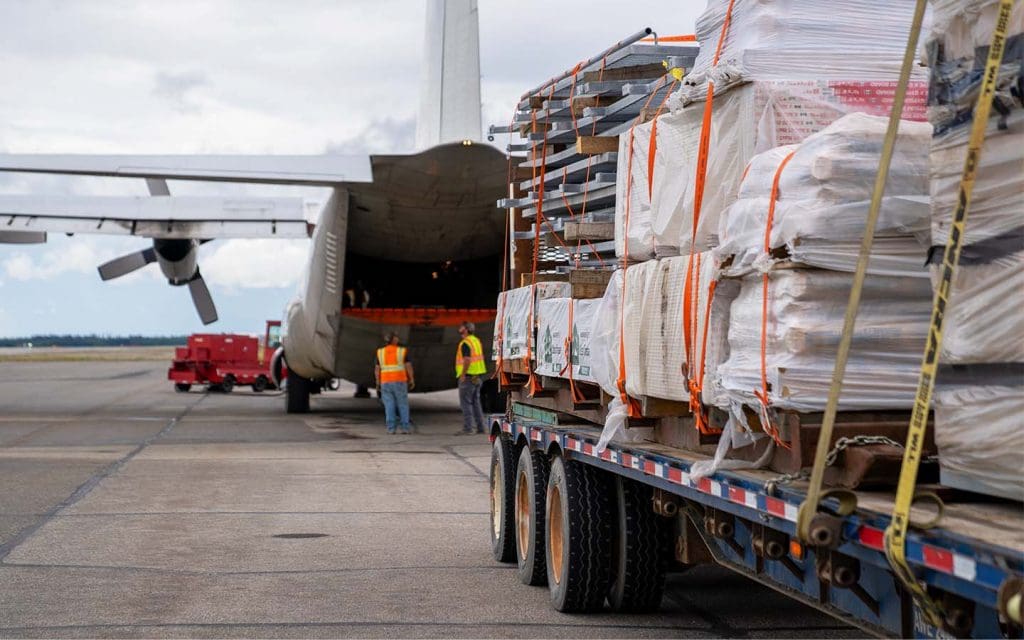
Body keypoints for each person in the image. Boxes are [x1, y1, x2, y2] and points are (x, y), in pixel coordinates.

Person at [374, 332, 414, 434]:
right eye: (397, 338)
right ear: (394, 340)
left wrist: (378, 382)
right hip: (399, 381)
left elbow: (377, 368)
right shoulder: (401, 351)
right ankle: (405, 428)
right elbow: (408, 366)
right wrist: (412, 379)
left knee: (389, 405)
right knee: (403, 404)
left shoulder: (380, 352)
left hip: (385, 382)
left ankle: (391, 428)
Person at [454, 321, 487, 435]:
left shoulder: (465, 343)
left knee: (466, 403)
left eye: (462, 327)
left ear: (466, 330)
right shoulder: (476, 341)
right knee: (476, 403)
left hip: (468, 378)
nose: (460, 328)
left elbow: (467, 360)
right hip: (477, 377)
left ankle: (468, 428)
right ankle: (481, 428)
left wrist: (463, 374)